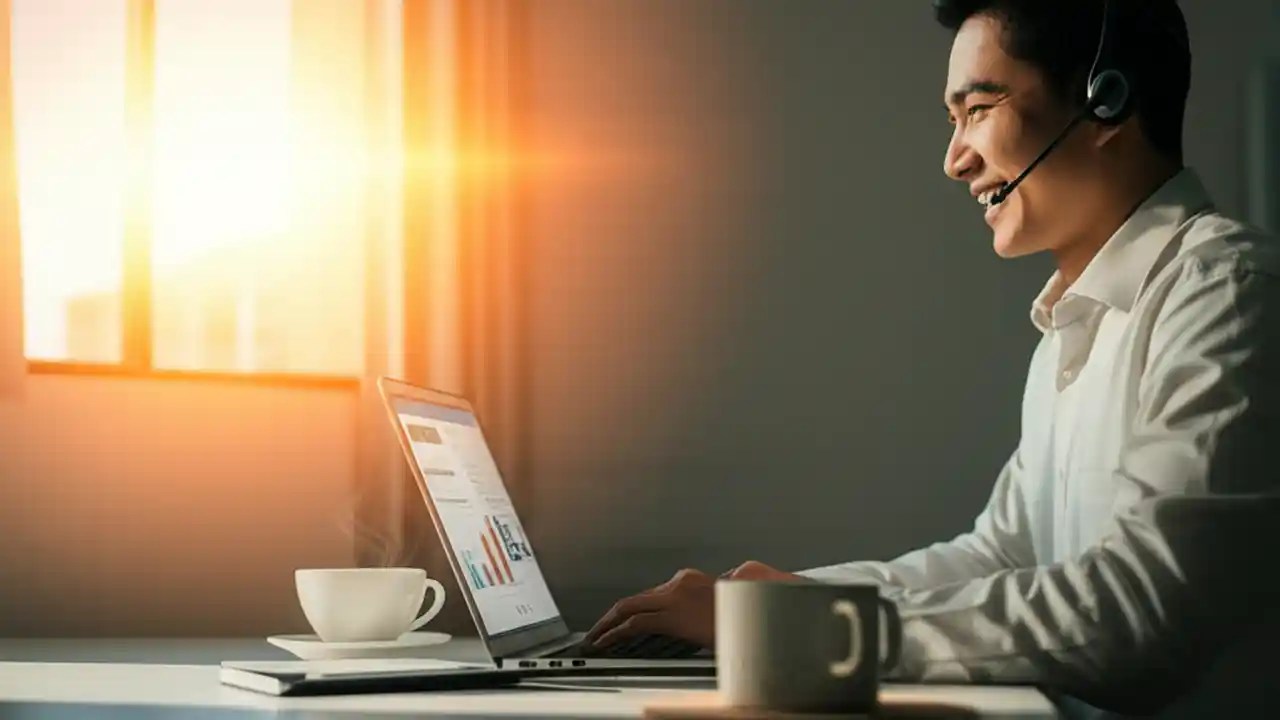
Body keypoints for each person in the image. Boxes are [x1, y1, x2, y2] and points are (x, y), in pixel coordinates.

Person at [584, 0, 1280, 715]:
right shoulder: (1076, 324)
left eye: (978, 109)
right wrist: (780, 603)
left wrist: (791, 630)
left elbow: (1142, 614)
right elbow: (1002, 555)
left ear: (1106, 101)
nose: (955, 160)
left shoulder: (1226, 295)